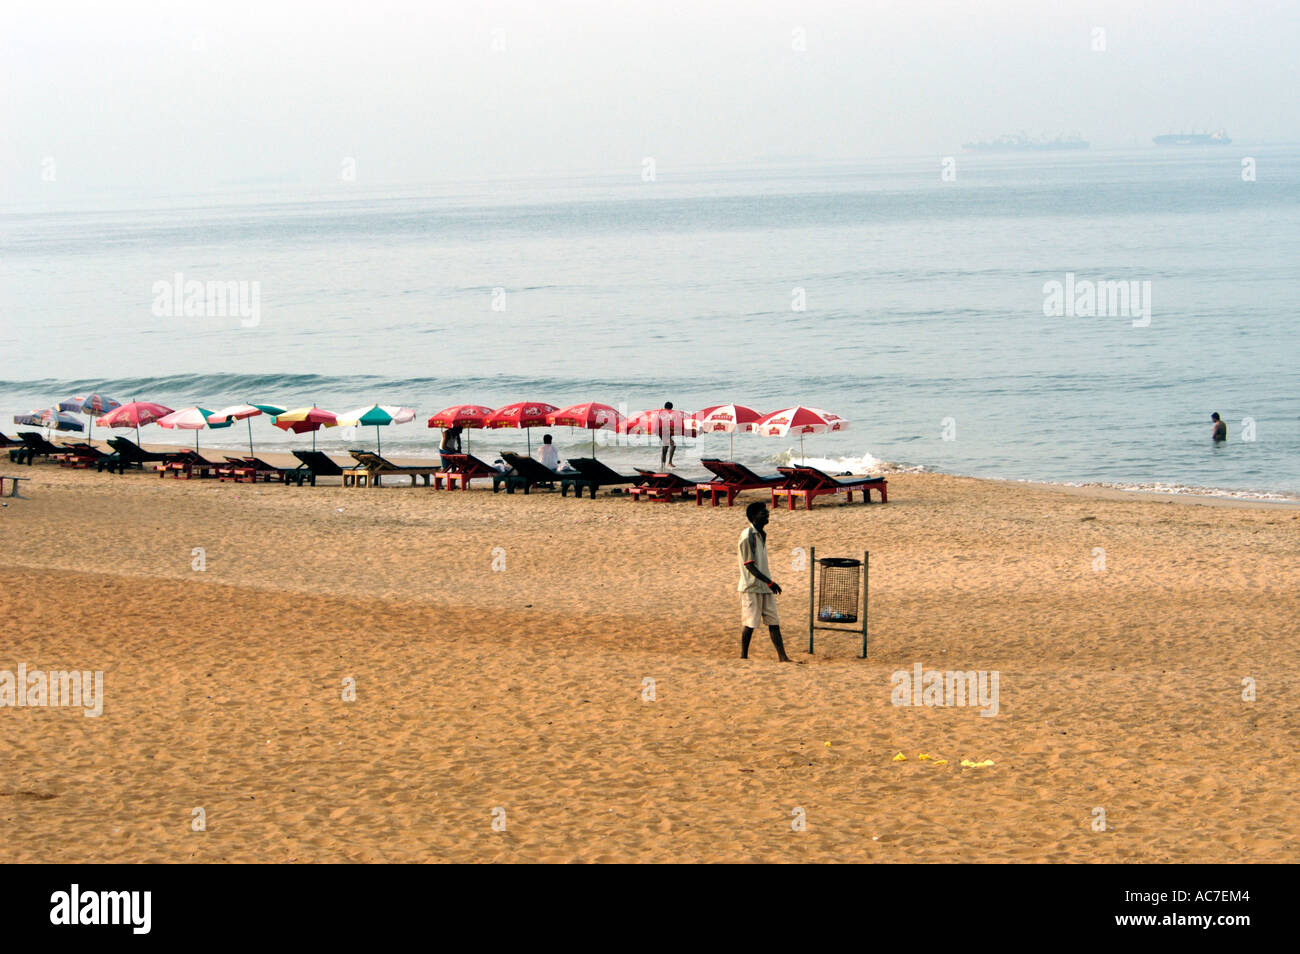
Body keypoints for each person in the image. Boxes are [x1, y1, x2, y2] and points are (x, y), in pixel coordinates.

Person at [737, 501, 792, 662]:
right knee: (750, 623)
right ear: (754, 516)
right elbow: (750, 566)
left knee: (773, 621)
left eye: (766, 512)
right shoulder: (747, 536)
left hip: (764, 585)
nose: (767, 514)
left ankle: (783, 657)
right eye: (763, 513)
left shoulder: (761, 534)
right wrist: (770, 582)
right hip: (751, 586)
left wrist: (768, 583)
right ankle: (743, 656)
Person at [659, 401, 677, 469]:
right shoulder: (666, 413)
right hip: (664, 432)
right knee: (672, 445)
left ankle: (662, 466)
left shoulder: (661, 413)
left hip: (663, 432)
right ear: (670, 408)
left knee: (665, 448)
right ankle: (669, 463)